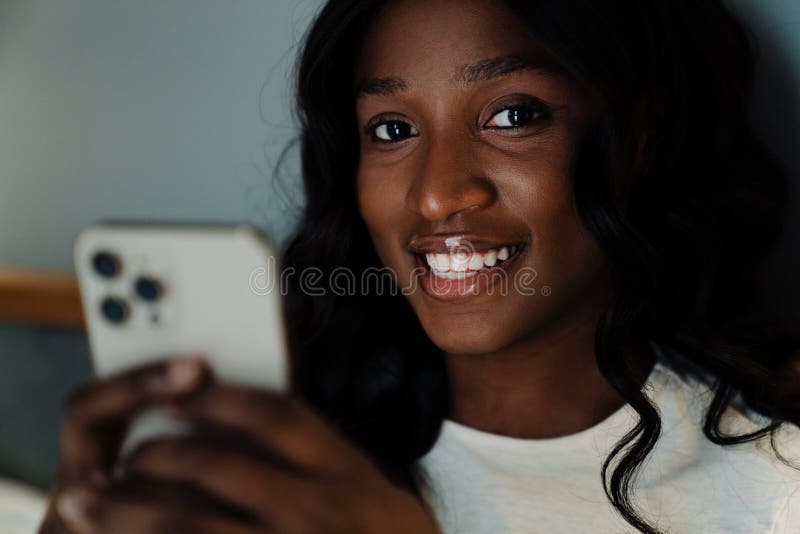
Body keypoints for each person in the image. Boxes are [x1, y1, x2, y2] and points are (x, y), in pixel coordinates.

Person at [40, 0, 800, 532]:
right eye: (393, 127)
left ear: (638, 137)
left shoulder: (775, 484)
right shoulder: (280, 455)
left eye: (514, 115)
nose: (437, 196)